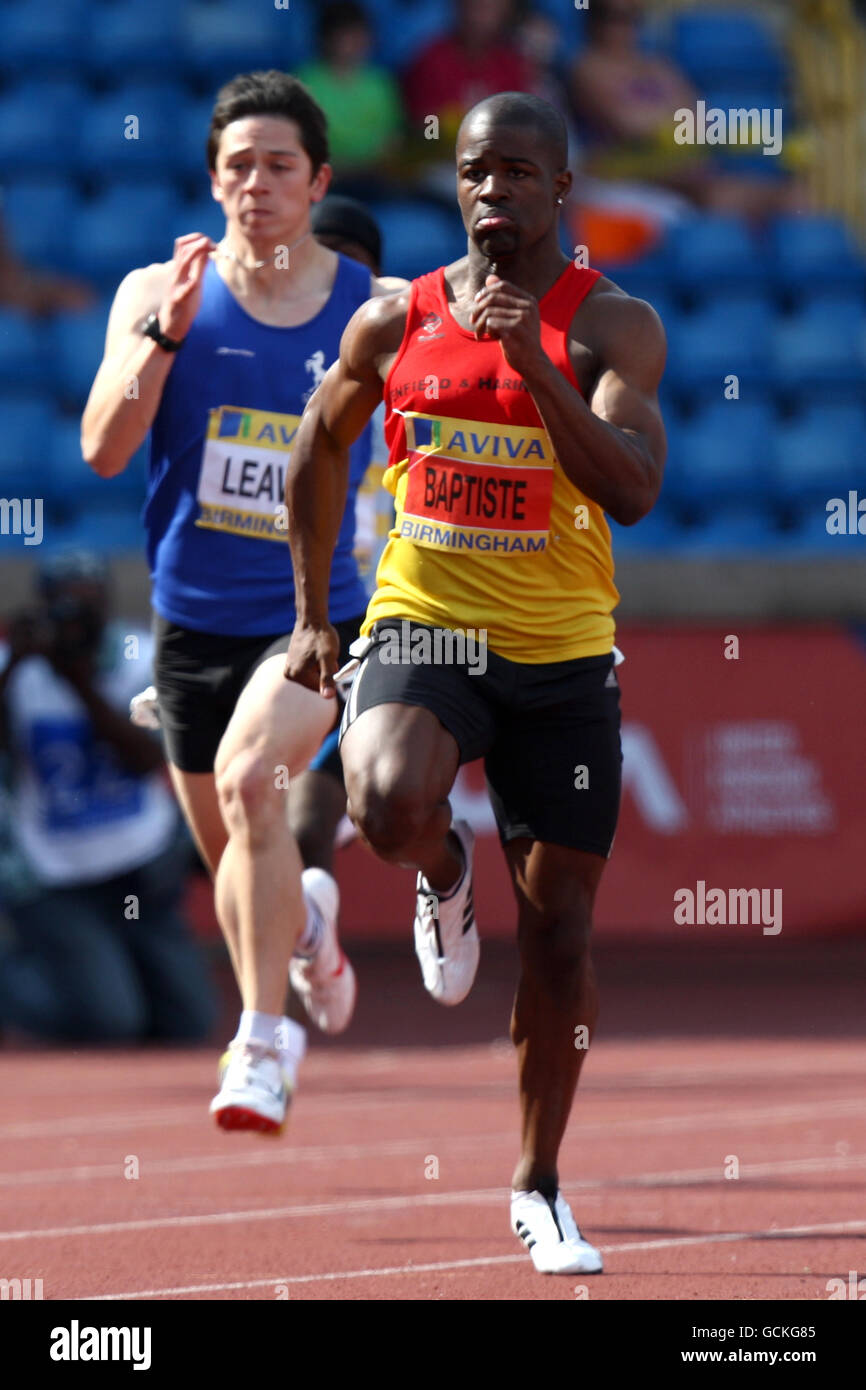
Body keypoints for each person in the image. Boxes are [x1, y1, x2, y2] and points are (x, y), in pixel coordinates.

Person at [283, 91, 666, 1275]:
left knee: (558, 938)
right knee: (385, 802)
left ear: (562, 187)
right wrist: (308, 618)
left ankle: (538, 1184)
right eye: (470, 170)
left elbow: (632, 487)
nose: (490, 191)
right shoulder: (394, 319)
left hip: (558, 657)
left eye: (515, 172)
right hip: (428, 627)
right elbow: (317, 448)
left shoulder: (611, 324)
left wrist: (529, 367)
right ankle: (442, 873)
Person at [81, 71, 405, 1133]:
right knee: (238, 869)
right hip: (190, 626)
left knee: (252, 785)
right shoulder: (153, 291)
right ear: (211, 180)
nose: (255, 185)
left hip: (316, 618)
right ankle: (307, 929)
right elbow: (101, 450)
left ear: (317, 180)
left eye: (278, 166)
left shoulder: (372, 311)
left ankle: (261, 1046)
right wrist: (163, 339)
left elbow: (420, 463)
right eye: (236, 167)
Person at [0, 551, 215, 1044]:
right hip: (57, 881)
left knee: (186, 1023)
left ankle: (108, 969)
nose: (74, 622)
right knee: (110, 1023)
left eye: (86, 609)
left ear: (107, 608)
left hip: (139, 874)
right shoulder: (19, 668)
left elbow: (144, 757)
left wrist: (79, 684)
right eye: (63, 608)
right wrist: (15, 666)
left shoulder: (140, 659)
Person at [297, 2, 405, 198]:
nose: (356, 42)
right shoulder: (307, 81)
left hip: (375, 178)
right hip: (327, 180)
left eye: (361, 34)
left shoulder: (380, 83)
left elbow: (393, 139)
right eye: (347, 35)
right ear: (327, 38)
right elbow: (303, 143)